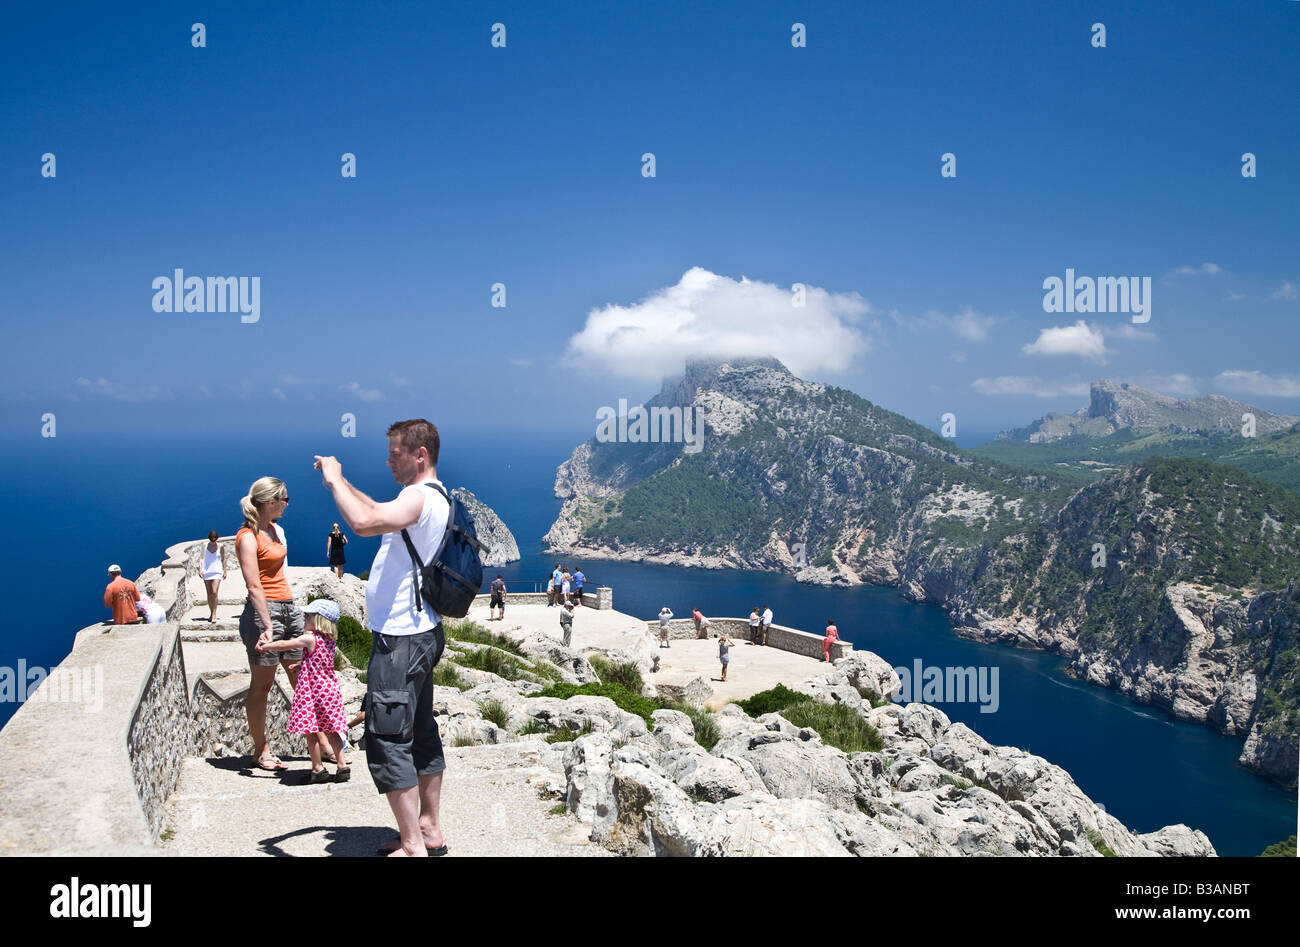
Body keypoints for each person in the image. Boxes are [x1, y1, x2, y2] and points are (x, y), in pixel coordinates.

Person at [315, 419, 449, 858]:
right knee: (422, 730)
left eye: (395, 453)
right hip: (422, 631)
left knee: (389, 736)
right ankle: (429, 827)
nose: (388, 459)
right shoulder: (432, 496)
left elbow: (362, 521)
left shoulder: (417, 498)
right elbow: (375, 508)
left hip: (400, 639)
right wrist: (346, 482)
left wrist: (334, 481)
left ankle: (412, 845)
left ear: (420, 455)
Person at [236, 477, 304, 772]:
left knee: (300, 677)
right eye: (284, 499)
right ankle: (261, 748)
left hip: (288, 607)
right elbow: (253, 584)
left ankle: (323, 744)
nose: (287, 504)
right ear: (269, 502)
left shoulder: (275, 531)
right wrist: (266, 625)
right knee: (263, 685)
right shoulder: (247, 536)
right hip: (264, 613)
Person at [260, 599, 350, 783]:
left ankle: (317, 769)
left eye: (308, 615)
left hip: (313, 692)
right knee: (332, 729)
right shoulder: (329, 641)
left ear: (318, 620)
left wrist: (267, 646)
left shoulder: (310, 638)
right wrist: (301, 665)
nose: (305, 617)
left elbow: (285, 644)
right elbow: (321, 662)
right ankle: (342, 766)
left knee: (311, 730)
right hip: (330, 690)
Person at [199, 531, 227, 622]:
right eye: (212, 538)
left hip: (217, 571)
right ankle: (211, 613)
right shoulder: (204, 545)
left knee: (214, 592)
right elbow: (201, 558)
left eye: (215, 538)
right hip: (206, 571)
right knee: (209, 593)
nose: (213, 540)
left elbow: (223, 559)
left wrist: (225, 571)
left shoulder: (221, 546)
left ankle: (214, 613)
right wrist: (200, 569)